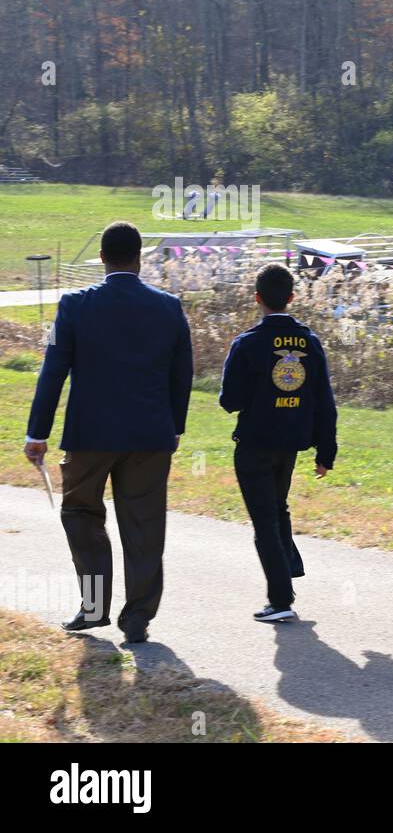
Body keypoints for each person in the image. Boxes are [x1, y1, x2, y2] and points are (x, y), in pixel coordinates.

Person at [23, 221, 193, 644]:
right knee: (145, 526)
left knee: (82, 515)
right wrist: (175, 427)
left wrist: (37, 432)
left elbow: (53, 371)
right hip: (150, 435)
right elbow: (182, 374)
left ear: (102, 257)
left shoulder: (74, 305)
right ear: (140, 258)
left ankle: (94, 607)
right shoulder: (169, 307)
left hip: (90, 434)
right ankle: (138, 617)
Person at [219, 264, 338, 623]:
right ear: (291, 298)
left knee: (265, 522)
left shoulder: (247, 344)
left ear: (257, 298)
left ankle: (280, 598)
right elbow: (324, 402)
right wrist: (325, 452)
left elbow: (230, 401)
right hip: (290, 444)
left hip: (255, 443)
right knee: (278, 507)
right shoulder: (310, 342)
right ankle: (289, 567)